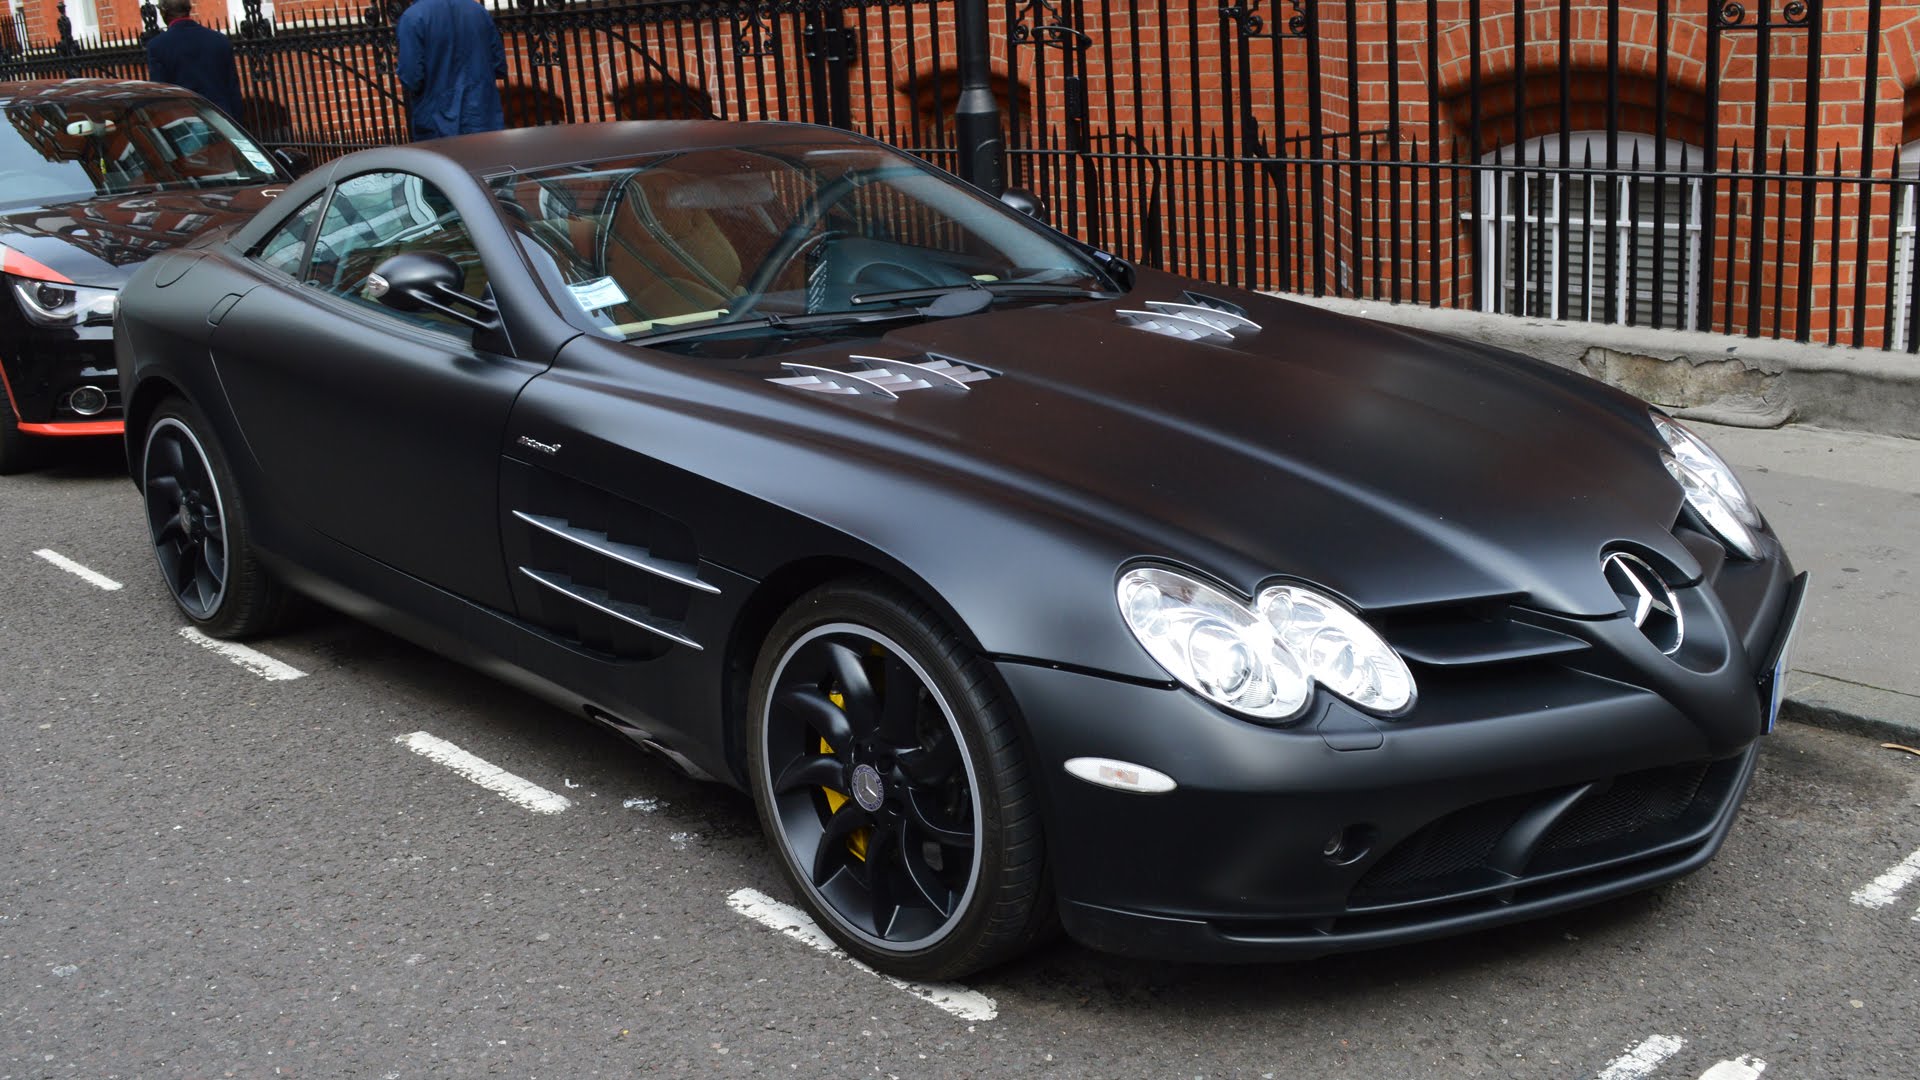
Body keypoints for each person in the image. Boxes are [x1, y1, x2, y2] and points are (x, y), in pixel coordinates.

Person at [396, 0, 508, 141]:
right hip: (482, 114)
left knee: (441, 162)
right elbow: (499, 65)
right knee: (487, 161)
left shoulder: (413, 17)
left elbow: (411, 77)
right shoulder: (478, 11)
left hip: (437, 121)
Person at [145, 0, 244, 118]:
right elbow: (232, 87)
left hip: (185, 118)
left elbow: (161, 92)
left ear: (164, 12)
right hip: (221, 116)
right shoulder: (219, 40)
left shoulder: (157, 46)